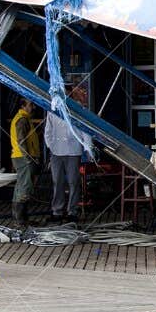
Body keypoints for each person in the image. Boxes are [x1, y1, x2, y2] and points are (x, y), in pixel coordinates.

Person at [44, 83, 90, 224]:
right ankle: (57, 211)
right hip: (57, 151)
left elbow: (84, 130)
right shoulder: (53, 109)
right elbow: (48, 131)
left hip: (73, 150)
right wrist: (51, 146)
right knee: (57, 182)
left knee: (73, 182)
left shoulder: (78, 109)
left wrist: (87, 148)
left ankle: (72, 211)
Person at [8, 98, 44, 227]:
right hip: (24, 158)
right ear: (23, 106)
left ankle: (21, 219)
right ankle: (20, 220)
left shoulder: (24, 118)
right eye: (30, 104)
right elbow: (21, 140)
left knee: (21, 187)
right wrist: (28, 158)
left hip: (21, 157)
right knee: (25, 187)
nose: (33, 107)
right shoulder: (22, 120)